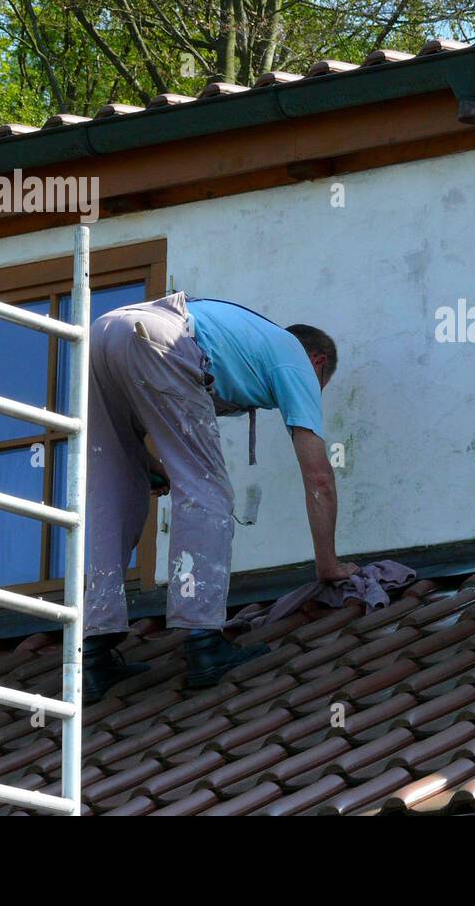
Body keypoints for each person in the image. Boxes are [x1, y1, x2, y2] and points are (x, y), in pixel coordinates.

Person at [81, 291, 356, 701]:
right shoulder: (294, 355)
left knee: (114, 486)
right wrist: (328, 566)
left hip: (101, 337)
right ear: (317, 363)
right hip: (161, 337)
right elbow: (318, 476)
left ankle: (93, 656)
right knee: (205, 487)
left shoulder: (245, 344)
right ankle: (203, 641)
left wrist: (148, 462)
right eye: (319, 388)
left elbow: (154, 404)